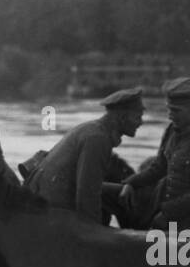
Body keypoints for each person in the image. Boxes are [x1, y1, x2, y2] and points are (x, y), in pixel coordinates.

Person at [113, 77, 190, 231]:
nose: (170, 115)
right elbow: (158, 168)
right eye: (169, 109)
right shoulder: (172, 131)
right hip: (165, 213)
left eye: (176, 111)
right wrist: (130, 183)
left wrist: (167, 213)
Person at [24, 87, 145, 222]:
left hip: (45, 197)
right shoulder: (98, 139)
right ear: (122, 117)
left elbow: (87, 184)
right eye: (138, 117)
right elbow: (86, 194)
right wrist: (93, 232)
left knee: (118, 192)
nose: (141, 122)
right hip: (52, 210)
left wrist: (122, 189)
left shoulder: (91, 128)